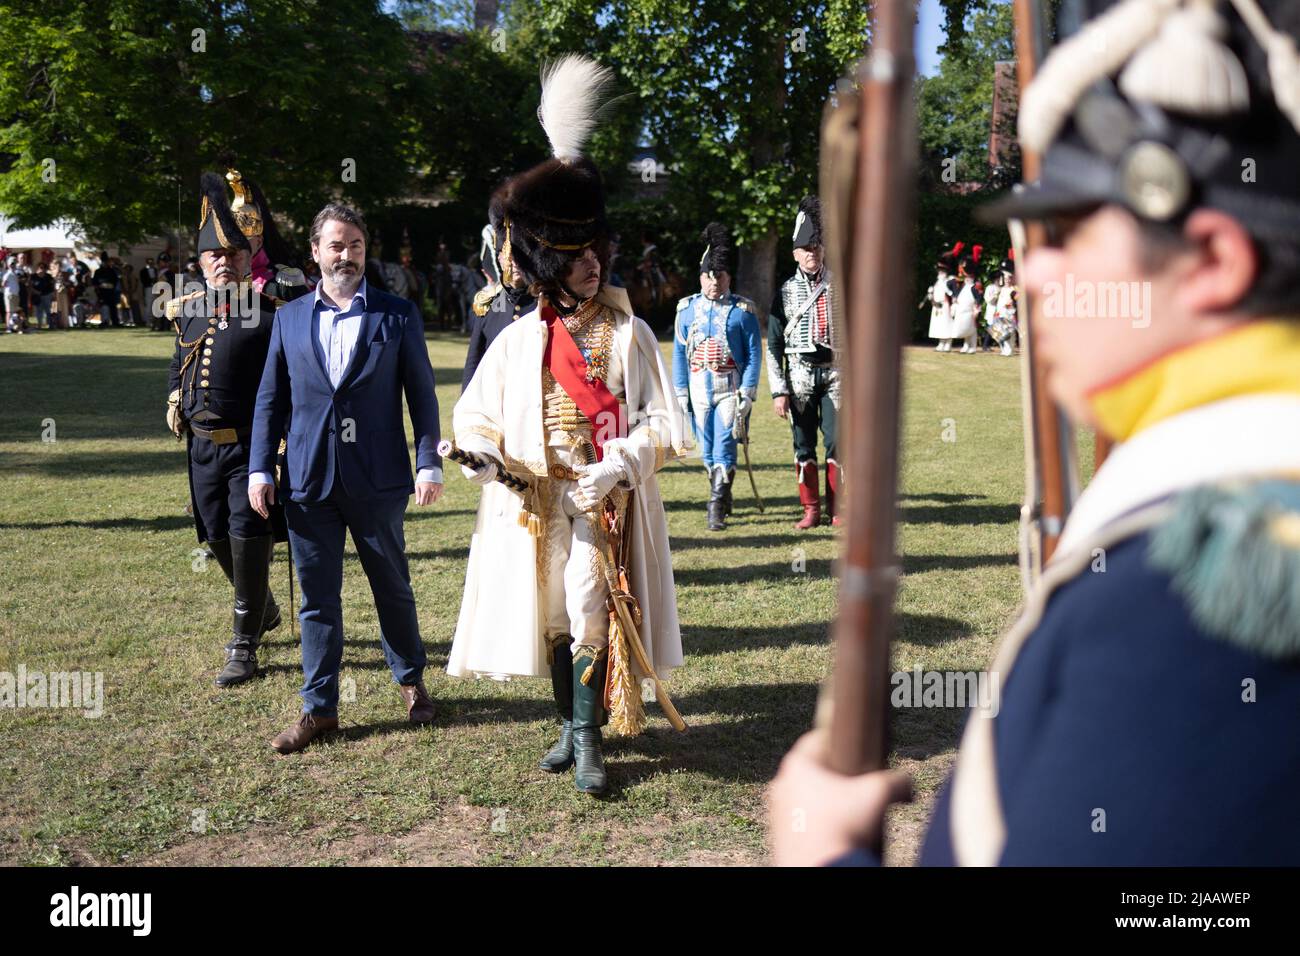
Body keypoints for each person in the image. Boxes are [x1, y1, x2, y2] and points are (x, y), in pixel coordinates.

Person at [769, 0, 1300, 867]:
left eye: (1069, 229)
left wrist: (825, 856)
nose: (1034, 268)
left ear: (1213, 262)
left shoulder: (1197, 597)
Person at [447, 55, 689, 796]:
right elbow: (475, 413)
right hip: (536, 501)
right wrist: (480, 455)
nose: (591, 264)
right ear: (547, 260)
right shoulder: (520, 339)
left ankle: (589, 737)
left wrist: (621, 464)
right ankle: (565, 722)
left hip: (602, 500)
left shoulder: (631, 336)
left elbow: (663, 420)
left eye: (596, 252)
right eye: (575, 255)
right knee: (550, 614)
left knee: (588, 605)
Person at [249, 201, 444, 755]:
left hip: (379, 478)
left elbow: (422, 394)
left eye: (355, 245)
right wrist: (261, 468)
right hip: (308, 482)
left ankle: (411, 682)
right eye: (336, 245)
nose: (347, 255)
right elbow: (270, 400)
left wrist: (428, 459)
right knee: (317, 598)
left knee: (393, 586)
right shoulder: (286, 319)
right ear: (315, 253)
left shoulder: (397, 313)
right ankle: (320, 708)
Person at [166, 169, 288, 690]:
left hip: (248, 446)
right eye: (214, 256)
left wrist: (278, 445)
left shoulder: (271, 312)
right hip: (200, 450)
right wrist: (174, 394)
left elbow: (286, 383)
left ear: (248, 257)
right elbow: (179, 363)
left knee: (247, 532)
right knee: (214, 534)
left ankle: (244, 644)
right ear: (200, 262)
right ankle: (261, 607)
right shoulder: (188, 311)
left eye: (234, 255)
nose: (224, 262)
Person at [672, 222, 763, 531]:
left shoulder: (743, 311)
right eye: (709, 277)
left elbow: (753, 354)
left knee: (725, 443)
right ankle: (722, 494)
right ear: (701, 277)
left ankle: (715, 507)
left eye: (720, 277)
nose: (714, 283)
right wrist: (680, 391)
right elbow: (679, 354)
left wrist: (748, 392)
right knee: (706, 447)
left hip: (730, 390)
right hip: (698, 391)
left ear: (728, 278)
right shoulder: (685, 310)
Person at [766, 196, 842, 529]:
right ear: (795, 254)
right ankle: (811, 509)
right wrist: (778, 391)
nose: (812, 253)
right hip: (798, 377)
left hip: (838, 374)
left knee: (839, 440)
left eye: (817, 247)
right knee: (803, 442)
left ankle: (838, 509)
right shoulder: (783, 292)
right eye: (806, 249)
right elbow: (774, 345)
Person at [462, 214, 535, 392]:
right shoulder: (488, 305)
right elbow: (474, 363)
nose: (516, 263)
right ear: (500, 259)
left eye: (522, 257)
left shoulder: (545, 304)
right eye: (510, 256)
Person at [926, 243, 960, 351]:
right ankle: (941, 343)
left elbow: (955, 293)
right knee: (939, 325)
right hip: (937, 305)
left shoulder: (950, 280)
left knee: (947, 324)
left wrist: (952, 298)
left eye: (942, 271)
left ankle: (948, 343)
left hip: (946, 305)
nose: (940, 273)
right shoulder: (938, 281)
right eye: (939, 271)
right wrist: (931, 293)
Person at [949, 247, 981, 354]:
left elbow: (978, 298)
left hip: (971, 310)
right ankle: (966, 345)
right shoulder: (962, 284)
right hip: (962, 310)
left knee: (972, 329)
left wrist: (977, 309)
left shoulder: (975, 286)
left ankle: (972, 346)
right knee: (964, 327)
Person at [93, 254, 121, 328]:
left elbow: (115, 281)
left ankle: (115, 322)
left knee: (113, 307)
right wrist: (98, 290)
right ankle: (104, 321)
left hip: (111, 291)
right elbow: (95, 282)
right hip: (102, 291)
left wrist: (112, 288)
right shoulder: (98, 271)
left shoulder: (112, 271)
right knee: (104, 306)